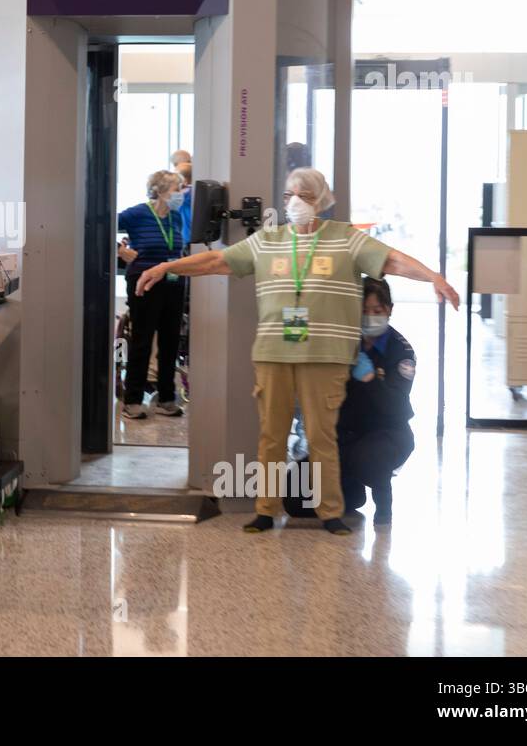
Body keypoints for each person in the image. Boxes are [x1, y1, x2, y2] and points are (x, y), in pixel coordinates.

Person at [137, 167, 457, 535]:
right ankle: (265, 510)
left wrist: (433, 276)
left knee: (323, 435)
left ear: (321, 201)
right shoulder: (268, 241)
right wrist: (166, 267)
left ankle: (330, 511)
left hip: (326, 355)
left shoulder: (346, 239)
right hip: (274, 353)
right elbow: (216, 261)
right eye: (289, 194)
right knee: (271, 436)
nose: (294, 202)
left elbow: (394, 260)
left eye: (304, 195)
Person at [285, 277, 416, 526]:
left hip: (388, 434)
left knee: (367, 459)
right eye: (363, 311)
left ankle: (383, 503)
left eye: (377, 311)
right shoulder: (345, 341)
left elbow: (395, 407)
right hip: (345, 435)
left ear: (389, 310)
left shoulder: (401, 351)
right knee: (294, 497)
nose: (370, 317)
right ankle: (351, 492)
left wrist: (370, 379)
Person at [117, 170, 187, 419]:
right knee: (142, 340)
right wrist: (120, 250)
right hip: (144, 282)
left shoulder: (176, 217)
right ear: (160, 190)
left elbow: (178, 249)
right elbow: (103, 225)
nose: (181, 194)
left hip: (173, 281)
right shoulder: (137, 213)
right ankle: (132, 400)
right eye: (177, 189)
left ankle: (166, 398)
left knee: (170, 341)